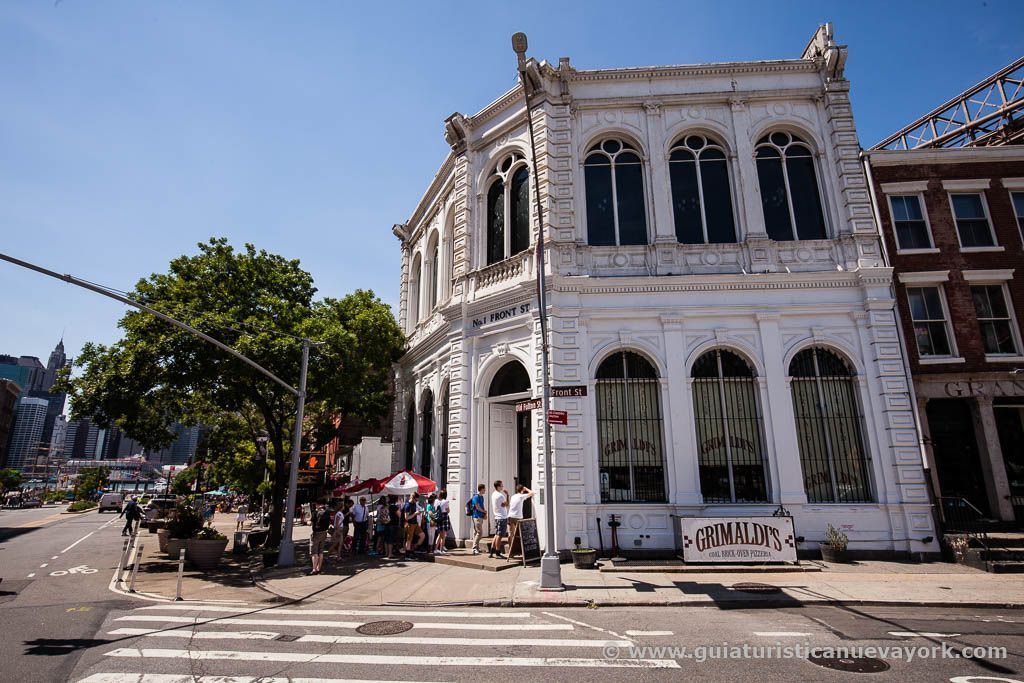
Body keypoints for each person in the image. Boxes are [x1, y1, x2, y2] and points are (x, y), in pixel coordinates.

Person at [507, 485, 534, 554]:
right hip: (517, 517)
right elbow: (532, 493)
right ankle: (521, 550)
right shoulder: (521, 496)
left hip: (510, 516)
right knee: (521, 534)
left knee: (511, 534)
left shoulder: (513, 496)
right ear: (522, 490)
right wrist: (526, 488)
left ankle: (511, 551)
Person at [308, 499, 331, 575]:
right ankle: (319, 568)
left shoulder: (315, 513)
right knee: (321, 551)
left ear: (318, 504)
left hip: (316, 533)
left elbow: (309, 523)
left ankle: (314, 569)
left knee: (314, 552)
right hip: (324, 533)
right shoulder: (327, 512)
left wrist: (309, 521)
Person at [490, 480, 508, 559]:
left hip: (497, 517)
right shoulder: (500, 496)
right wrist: (507, 495)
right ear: (498, 486)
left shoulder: (493, 494)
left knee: (496, 534)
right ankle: (497, 552)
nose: (502, 487)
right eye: (501, 485)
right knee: (499, 536)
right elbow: (506, 504)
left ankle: (491, 551)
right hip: (501, 517)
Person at [470, 484, 487, 555]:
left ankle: (476, 548)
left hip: (480, 516)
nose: (485, 490)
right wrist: (484, 512)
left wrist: (484, 513)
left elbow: (482, 506)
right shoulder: (475, 497)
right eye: (484, 489)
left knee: (476, 532)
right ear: (481, 489)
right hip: (476, 516)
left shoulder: (482, 497)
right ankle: (474, 548)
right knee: (480, 533)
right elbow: (477, 507)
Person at [433, 490, 450, 554]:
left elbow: (435, 509)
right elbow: (448, 510)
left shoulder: (436, 501)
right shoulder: (445, 501)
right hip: (444, 517)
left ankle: (435, 549)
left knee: (439, 535)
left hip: (438, 518)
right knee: (443, 535)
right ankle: (441, 549)